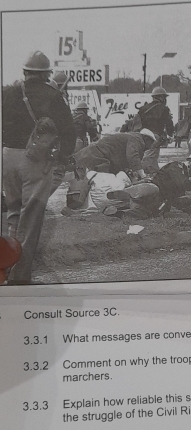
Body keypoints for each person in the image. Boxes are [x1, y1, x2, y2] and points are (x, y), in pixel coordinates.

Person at [2, 51, 76, 284]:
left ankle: (7, 270)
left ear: (25, 71)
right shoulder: (52, 95)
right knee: (31, 220)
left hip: (7, 157)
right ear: (46, 74)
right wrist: (63, 157)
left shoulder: (8, 92)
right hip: (34, 160)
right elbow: (68, 131)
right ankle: (20, 278)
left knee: (14, 215)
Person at [72, 128, 157, 177]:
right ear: (146, 139)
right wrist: (142, 175)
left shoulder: (132, 138)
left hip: (95, 154)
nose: (151, 146)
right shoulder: (136, 139)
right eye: (151, 143)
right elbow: (132, 156)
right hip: (97, 156)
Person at [133, 87, 174, 173]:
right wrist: (170, 134)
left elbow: (136, 122)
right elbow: (169, 124)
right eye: (164, 97)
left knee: (145, 155)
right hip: (155, 137)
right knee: (151, 158)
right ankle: (149, 174)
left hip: (142, 135)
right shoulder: (164, 109)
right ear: (161, 97)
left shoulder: (143, 109)